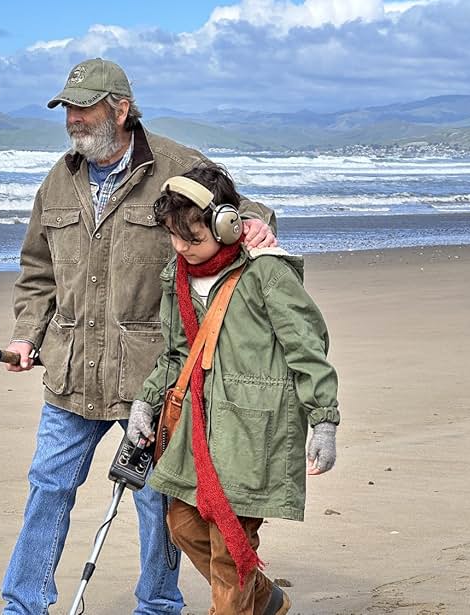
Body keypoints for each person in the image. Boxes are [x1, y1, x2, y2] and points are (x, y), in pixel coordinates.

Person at [0, 58, 278, 615]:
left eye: (84, 108)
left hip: (153, 375)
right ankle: (23, 605)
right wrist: (28, 335)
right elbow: (37, 271)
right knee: (47, 486)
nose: (73, 119)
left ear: (121, 109)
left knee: (156, 499)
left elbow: (237, 212)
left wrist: (255, 221)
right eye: (68, 110)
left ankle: (157, 604)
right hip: (72, 368)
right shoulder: (59, 178)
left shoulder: (179, 168)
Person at [126, 163, 340, 615]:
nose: (182, 247)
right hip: (197, 431)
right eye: (174, 236)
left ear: (227, 225)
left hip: (253, 430)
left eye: (193, 238)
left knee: (229, 552)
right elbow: (176, 355)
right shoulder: (178, 276)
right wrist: (146, 402)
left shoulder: (267, 273)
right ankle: (265, 599)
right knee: (181, 525)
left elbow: (308, 347)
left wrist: (324, 420)